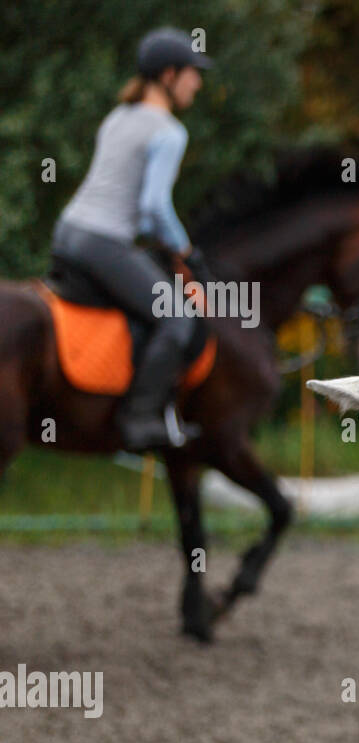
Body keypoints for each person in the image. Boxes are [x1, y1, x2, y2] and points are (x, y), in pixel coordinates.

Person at [52, 26, 212, 450]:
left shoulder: (118, 117)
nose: (197, 81)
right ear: (168, 75)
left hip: (67, 234)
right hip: (102, 241)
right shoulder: (169, 131)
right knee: (178, 317)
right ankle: (139, 419)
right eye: (192, 73)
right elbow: (153, 209)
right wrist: (187, 252)